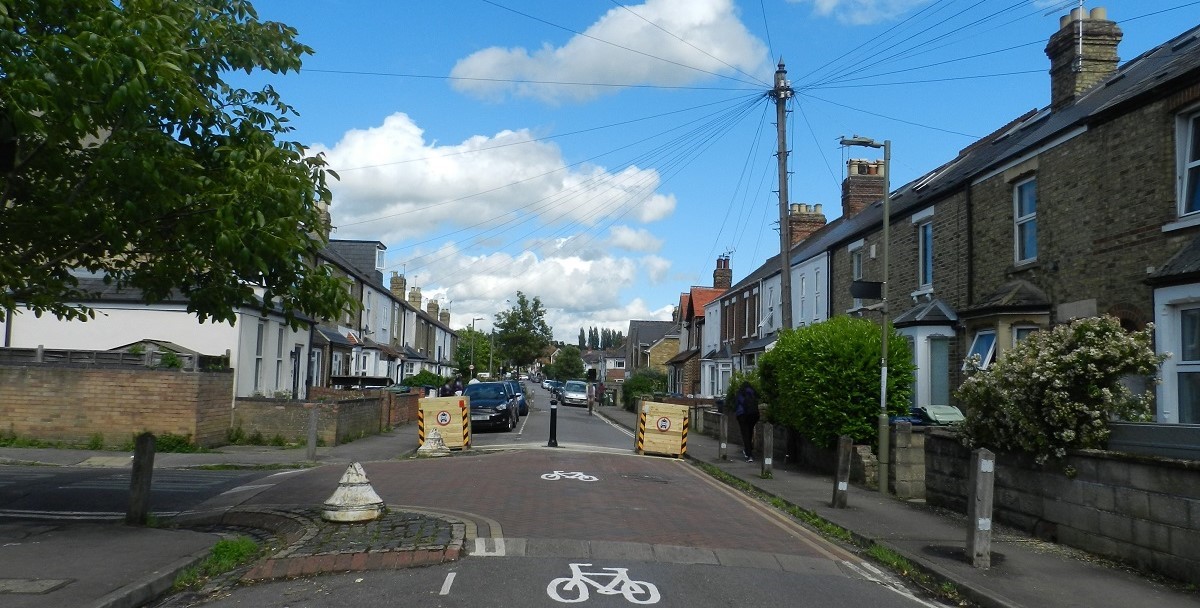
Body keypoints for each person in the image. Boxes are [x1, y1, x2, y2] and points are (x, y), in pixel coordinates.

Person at [734, 381, 760, 462]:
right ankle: (748, 449)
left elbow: (736, 404)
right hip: (754, 415)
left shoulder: (740, 393)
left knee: (745, 434)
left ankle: (749, 455)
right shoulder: (753, 392)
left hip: (742, 415)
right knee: (750, 432)